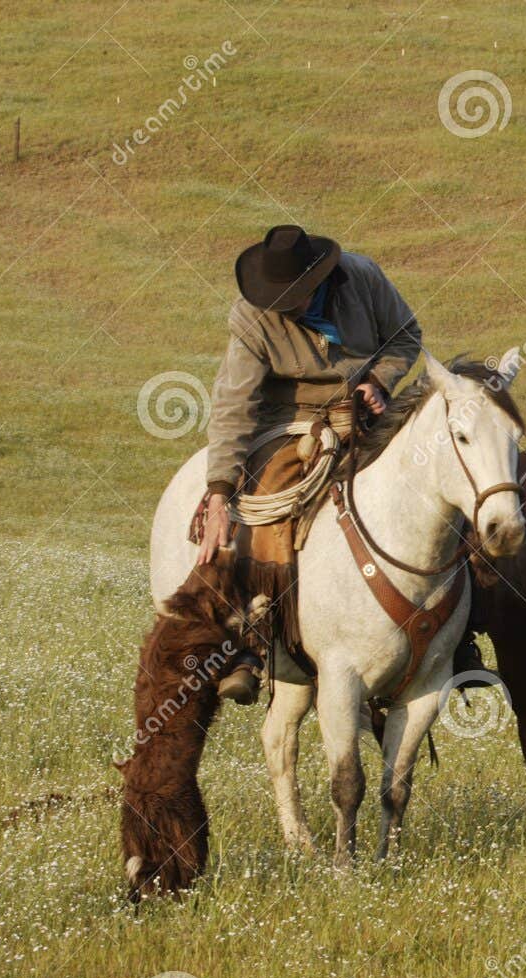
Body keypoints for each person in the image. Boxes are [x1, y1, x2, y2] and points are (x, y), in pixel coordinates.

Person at [196, 224, 422, 702]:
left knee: (434, 476)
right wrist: (219, 489)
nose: (287, 306)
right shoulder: (251, 317)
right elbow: (234, 402)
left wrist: (379, 380)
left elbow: (405, 337)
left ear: (319, 278)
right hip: (290, 421)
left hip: (366, 410)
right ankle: (254, 637)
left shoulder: (362, 277)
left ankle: (454, 630)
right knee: (271, 504)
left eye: (296, 295)